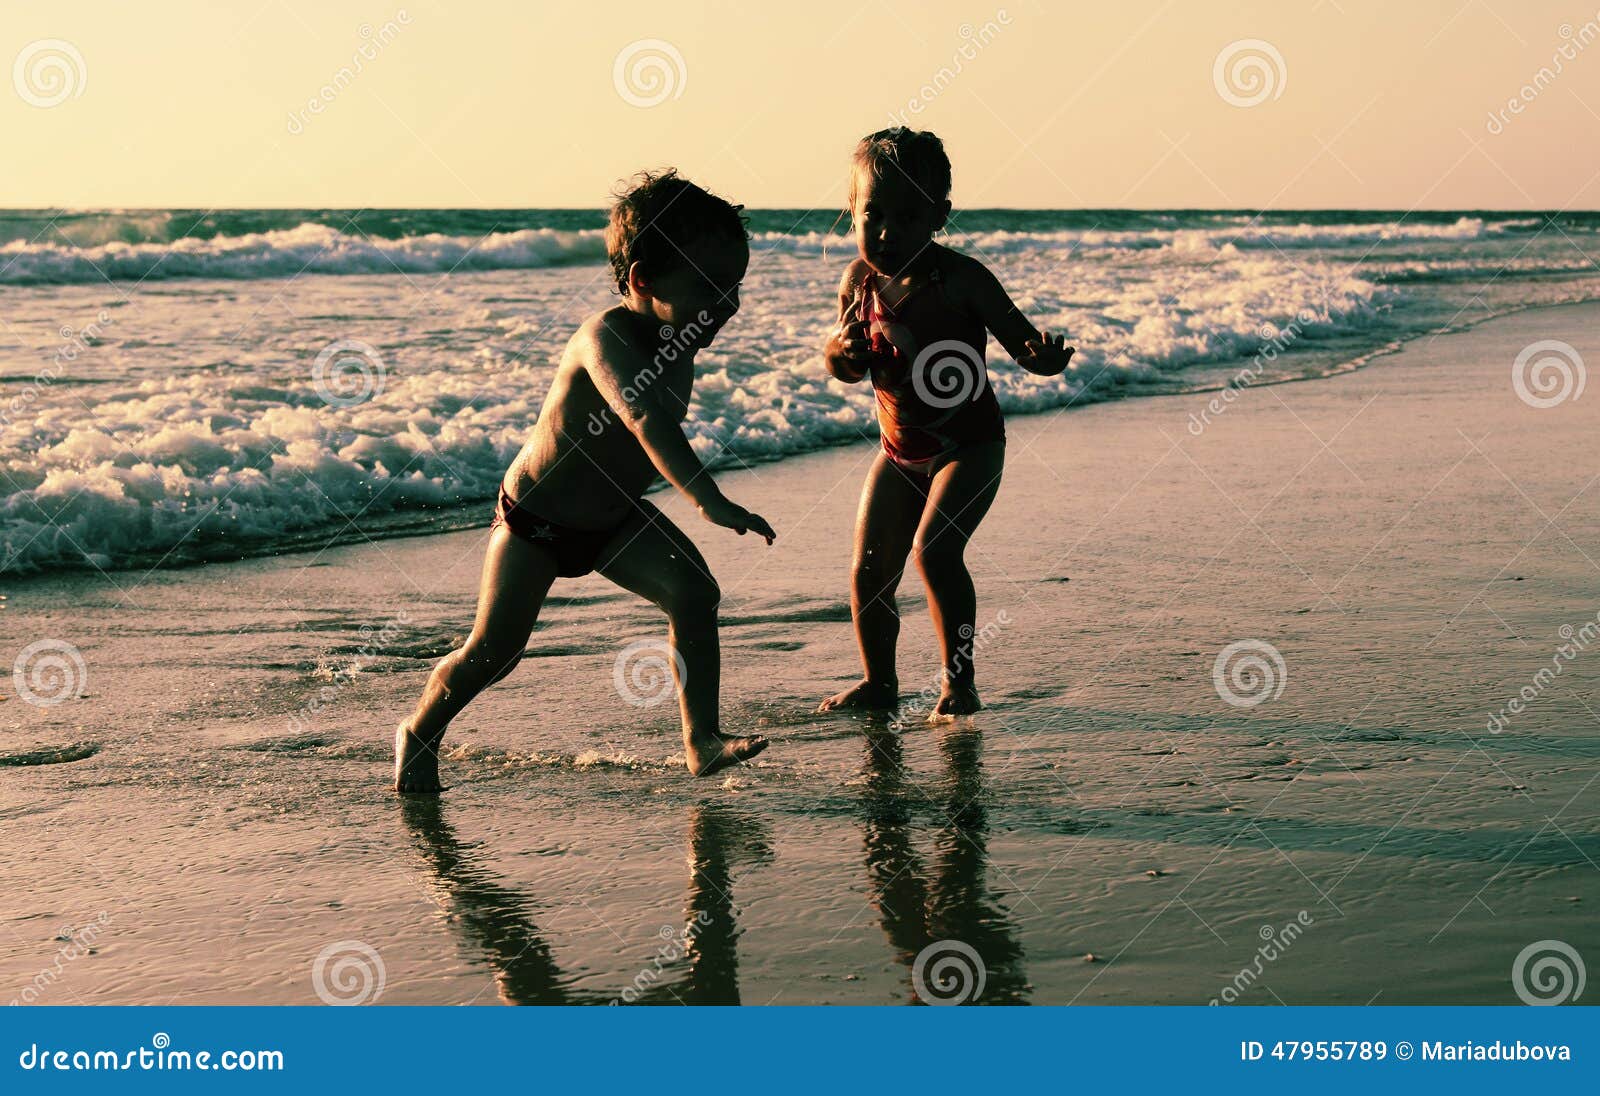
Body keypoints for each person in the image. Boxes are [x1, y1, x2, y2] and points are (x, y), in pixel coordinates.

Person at [395, 170, 775, 792]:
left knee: (694, 594)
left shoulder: (679, 338)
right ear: (642, 281)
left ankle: (701, 741)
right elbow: (645, 417)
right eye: (710, 287)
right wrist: (708, 500)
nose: (728, 304)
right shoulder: (604, 338)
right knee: (495, 651)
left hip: (614, 519)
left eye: (735, 286)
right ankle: (419, 732)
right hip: (537, 522)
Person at [819, 128, 1075, 717]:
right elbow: (847, 369)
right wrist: (838, 353)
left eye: (907, 217)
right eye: (872, 214)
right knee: (867, 571)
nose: (886, 231)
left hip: (969, 446)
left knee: (934, 552)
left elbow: (1021, 344)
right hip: (897, 451)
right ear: (851, 211)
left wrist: (1043, 358)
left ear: (939, 216)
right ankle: (879, 682)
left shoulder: (963, 279)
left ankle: (960, 682)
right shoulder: (858, 283)